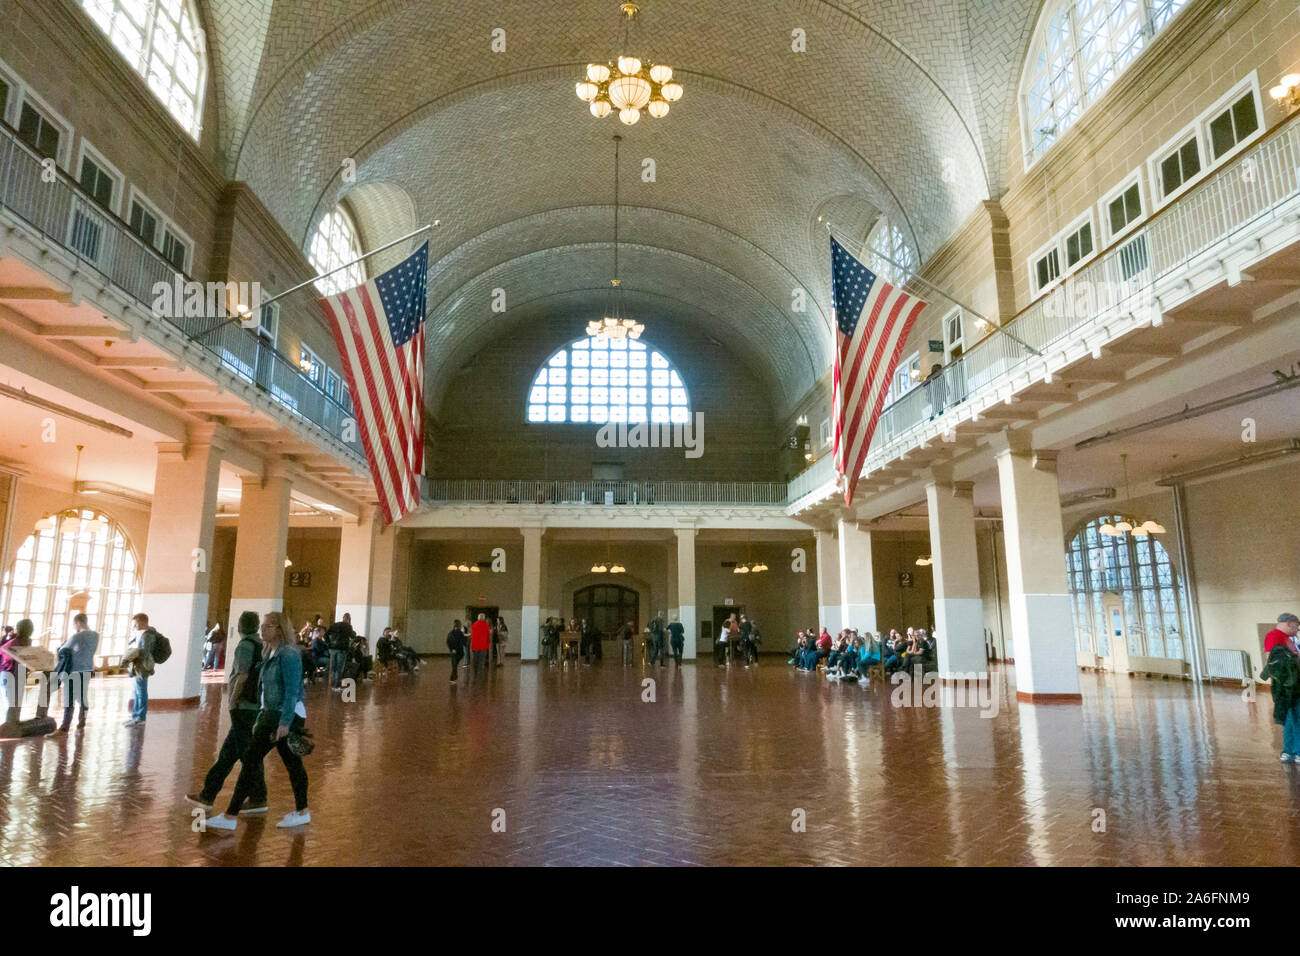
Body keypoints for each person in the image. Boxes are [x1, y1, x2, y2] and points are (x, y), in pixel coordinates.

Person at [204, 611, 310, 830]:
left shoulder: (288, 654)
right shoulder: (268, 652)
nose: (262, 629)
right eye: (262, 625)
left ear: (279, 629)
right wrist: (263, 714)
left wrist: (285, 722)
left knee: (257, 761)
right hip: (270, 715)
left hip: (283, 716)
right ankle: (300, 811)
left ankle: (232, 816)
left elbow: (292, 691)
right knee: (278, 764)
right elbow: (265, 691)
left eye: (268, 625)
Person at [186, 611, 268, 814]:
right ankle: (208, 795)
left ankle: (257, 797)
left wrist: (232, 700)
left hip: (243, 707)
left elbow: (241, 675)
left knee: (246, 756)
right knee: (229, 754)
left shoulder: (245, 646)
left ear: (240, 625)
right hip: (255, 704)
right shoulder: (262, 645)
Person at [48, 613, 97, 736]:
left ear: (78, 623)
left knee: (69, 699)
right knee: (82, 698)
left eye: (74, 624)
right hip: (87, 669)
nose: (74, 626)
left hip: (74, 670)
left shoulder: (76, 636)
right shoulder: (96, 636)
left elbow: (62, 650)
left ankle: (64, 728)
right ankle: (81, 724)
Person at [1263, 613, 1300, 763]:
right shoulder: (1275, 637)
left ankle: (1290, 751)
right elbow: (1276, 666)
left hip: (1290, 686)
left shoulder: (1288, 638)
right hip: (1289, 687)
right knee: (1295, 718)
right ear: (1289, 623)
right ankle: (1295, 751)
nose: (1297, 630)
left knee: (1291, 719)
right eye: (1296, 627)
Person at [123, 613, 158, 727]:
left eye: (136, 623)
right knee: (138, 691)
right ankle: (136, 716)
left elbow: (144, 653)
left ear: (143, 622)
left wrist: (131, 655)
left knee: (141, 692)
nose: (134, 626)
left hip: (142, 667)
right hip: (139, 667)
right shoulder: (143, 634)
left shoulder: (147, 636)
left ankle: (140, 717)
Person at [1, 619, 33, 727]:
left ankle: (11, 726)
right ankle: (11, 726)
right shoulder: (25, 642)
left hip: (12, 673)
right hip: (14, 673)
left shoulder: (16, 642)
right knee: (14, 703)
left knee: (12, 703)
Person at [325, 613, 355, 690]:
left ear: (343, 618)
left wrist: (329, 644)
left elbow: (326, 634)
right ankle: (337, 686)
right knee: (339, 668)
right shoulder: (348, 626)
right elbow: (353, 636)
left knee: (333, 667)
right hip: (342, 649)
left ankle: (331, 685)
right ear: (349, 619)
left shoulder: (335, 625)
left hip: (333, 649)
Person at [469, 613, 491, 680]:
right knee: (481, 661)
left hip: (475, 646)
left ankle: (475, 673)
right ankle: (480, 674)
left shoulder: (474, 625)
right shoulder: (486, 625)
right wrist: (489, 643)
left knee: (475, 660)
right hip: (483, 646)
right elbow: (488, 635)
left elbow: (471, 635)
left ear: (478, 618)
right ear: (483, 618)